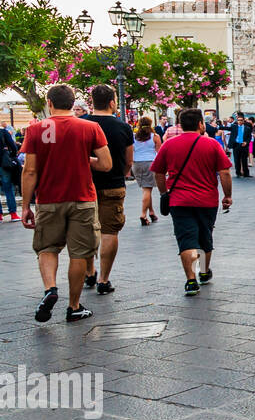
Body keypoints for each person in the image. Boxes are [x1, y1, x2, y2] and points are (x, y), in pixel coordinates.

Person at [19, 84, 112, 323]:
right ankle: (74, 306)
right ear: (73, 104)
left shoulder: (35, 129)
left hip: (49, 200)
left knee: (47, 248)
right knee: (79, 254)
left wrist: (26, 205)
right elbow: (105, 164)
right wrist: (84, 158)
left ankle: (50, 289)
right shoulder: (91, 127)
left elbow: (29, 171)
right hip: (82, 198)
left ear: (49, 103)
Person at [152, 108, 233, 297]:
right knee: (205, 237)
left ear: (180, 124)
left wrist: (164, 193)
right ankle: (204, 271)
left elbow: (158, 172)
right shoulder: (212, 144)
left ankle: (190, 280)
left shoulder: (169, 145)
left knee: (186, 239)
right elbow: (225, 172)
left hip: (179, 201)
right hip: (207, 200)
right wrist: (227, 195)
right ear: (200, 124)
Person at [82, 84, 135, 295]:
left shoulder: (81, 124)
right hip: (112, 185)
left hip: (84, 185)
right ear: (112, 102)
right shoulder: (123, 127)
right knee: (109, 232)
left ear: (91, 102)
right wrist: (121, 173)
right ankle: (104, 279)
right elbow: (128, 162)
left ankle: (89, 272)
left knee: (85, 230)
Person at [132, 115, 162, 224]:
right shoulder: (155, 136)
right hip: (150, 162)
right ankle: (143, 214)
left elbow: (131, 150)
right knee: (147, 190)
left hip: (136, 164)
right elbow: (159, 153)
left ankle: (152, 212)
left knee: (145, 189)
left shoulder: (134, 136)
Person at [0, 123, 20, 221]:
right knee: (8, 188)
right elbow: (13, 147)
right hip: (4, 163)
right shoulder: (3, 132)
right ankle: (13, 213)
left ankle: (0, 215)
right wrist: (10, 155)